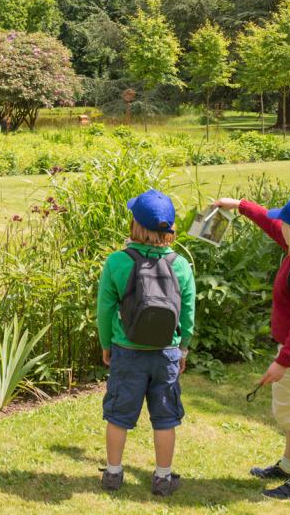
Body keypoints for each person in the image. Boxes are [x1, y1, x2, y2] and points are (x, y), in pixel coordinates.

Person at [211, 194, 290, 502]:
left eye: (286, 224)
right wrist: (238, 205)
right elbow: (269, 221)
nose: (281, 227)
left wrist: (283, 363)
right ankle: (289, 465)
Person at [96, 189, 196, 497]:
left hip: (127, 351)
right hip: (166, 352)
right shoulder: (180, 264)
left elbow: (105, 309)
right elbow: (188, 311)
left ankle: (113, 474)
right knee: (165, 417)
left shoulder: (117, 261)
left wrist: (106, 344)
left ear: (135, 224)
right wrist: (183, 347)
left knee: (118, 415)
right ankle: (163, 478)